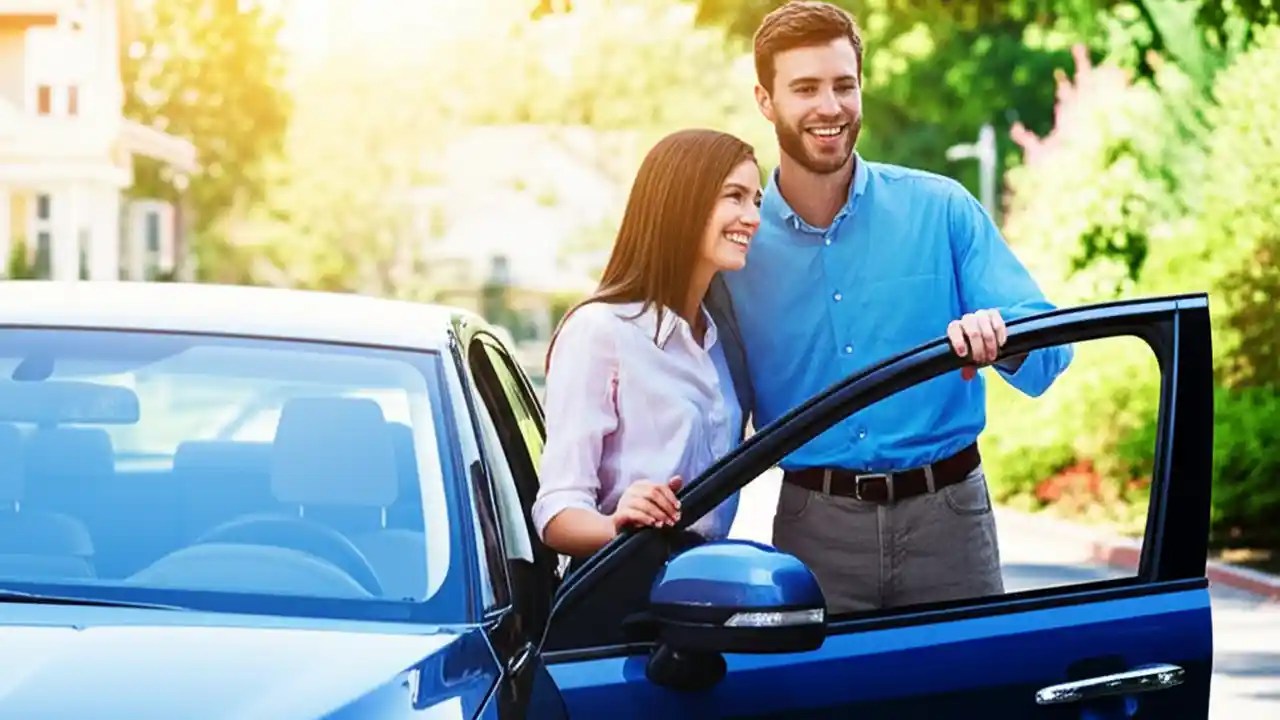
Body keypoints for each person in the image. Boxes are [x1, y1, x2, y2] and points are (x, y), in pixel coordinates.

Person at [707, 1, 1074, 614]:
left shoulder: (941, 209)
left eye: (843, 85)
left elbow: (1048, 357)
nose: (830, 107)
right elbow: (712, 409)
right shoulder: (737, 247)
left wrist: (1003, 338)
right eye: (805, 88)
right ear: (765, 101)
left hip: (949, 523)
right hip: (813, 531)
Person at [531, 128, 762, 560]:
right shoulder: (601, 332)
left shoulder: (716, 342)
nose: (753, 217)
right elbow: (557, 511)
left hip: (702, 594)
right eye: (735, 196)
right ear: (682, 203)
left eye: (756, 200)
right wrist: (617, 524)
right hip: (627, 600)